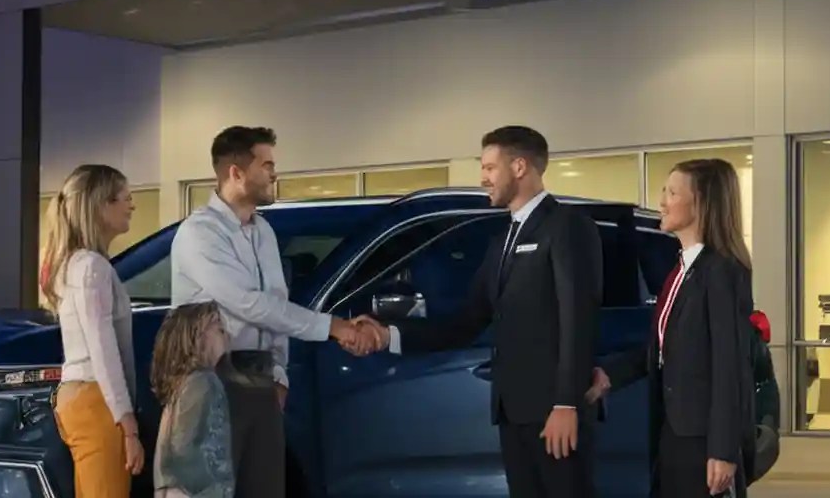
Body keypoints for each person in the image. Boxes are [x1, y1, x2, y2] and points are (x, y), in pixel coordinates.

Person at [352, 126, 603, 498]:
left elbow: (577, 321)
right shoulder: (501, 241)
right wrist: (389, 334)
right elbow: (467, 321)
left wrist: (566, 403)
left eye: (489, 167)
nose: (483, 178)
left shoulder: (566, 226)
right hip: (512, 411)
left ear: (519, 167)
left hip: (553, 411)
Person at [171, 125, 371, 498]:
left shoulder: (263, 231)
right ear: (236, 172)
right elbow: (248, 303)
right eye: (266, 165)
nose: (274, 174)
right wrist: (334, 327)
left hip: (260, 379)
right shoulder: (200, 233)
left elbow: (276, 302)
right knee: (213, 489)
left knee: (264, 488)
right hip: (214, 380)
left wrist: (279, 374)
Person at [585, 158, 755, 497]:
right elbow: (663, 349)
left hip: (701, 438)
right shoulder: (681, 270)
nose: (661, 202)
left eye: (672, 193)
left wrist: (722, 450)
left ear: (701, 204)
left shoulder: (721, 272)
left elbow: (730, 366)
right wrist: (610, 375)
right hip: (672, 429)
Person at [43, 165, 143, 498]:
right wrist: (127, 423)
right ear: (101, 205)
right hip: (97, 401)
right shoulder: (92, 267)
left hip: (80, 398)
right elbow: (103, 350)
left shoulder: (74, 264)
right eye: (125, 198)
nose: (132, 205)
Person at [151, 301, 236, 498]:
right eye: (218, 326)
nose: (227, 333)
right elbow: (182, 446)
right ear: (197, 338)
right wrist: (218, 487)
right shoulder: (203, 382)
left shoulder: (185, 382)